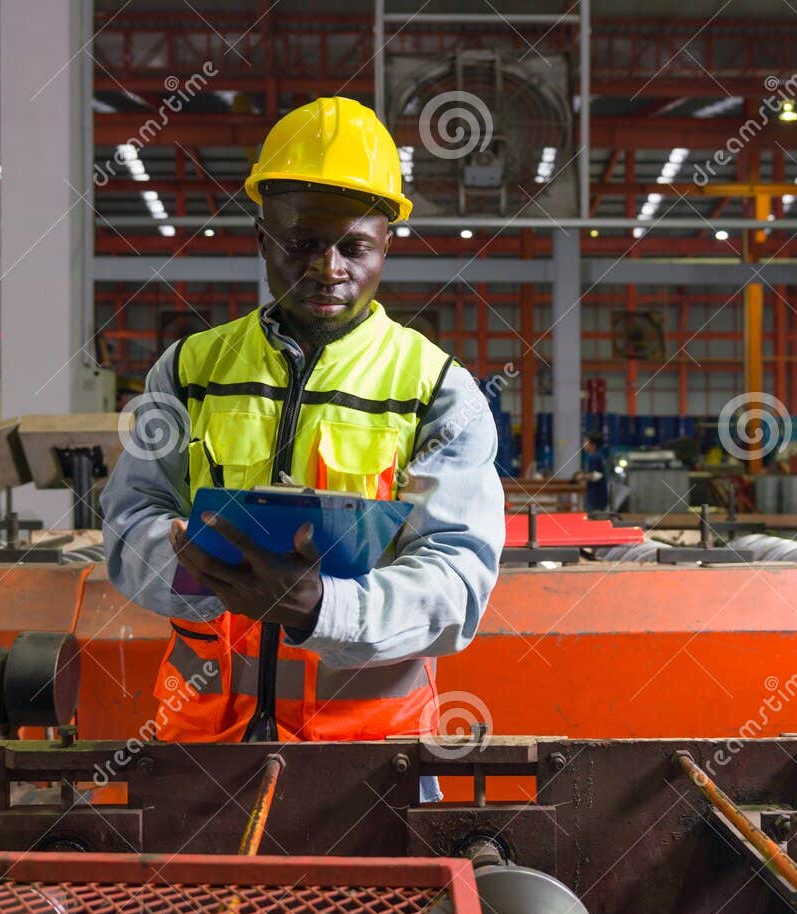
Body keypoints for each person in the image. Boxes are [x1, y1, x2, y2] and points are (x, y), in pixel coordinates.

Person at [101, 97, 505, 753]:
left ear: (387, 246)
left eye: (355, 247)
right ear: (263, 237)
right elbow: (127, 520)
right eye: (302, 244)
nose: (329, 269)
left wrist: (326, 611)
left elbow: (459, 583)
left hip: (371, 754)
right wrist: (190, 571)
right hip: (201, 742)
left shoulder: (436, 391)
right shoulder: (190, 371)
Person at [577, 431, 609, 511]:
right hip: (596, 493)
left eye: (585, 441)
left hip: (597, 495)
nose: (583, 444)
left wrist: (582, 477)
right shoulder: (596, 455)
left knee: (596, 517)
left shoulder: (595, 457)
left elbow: (597, 475)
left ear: (593, 445)